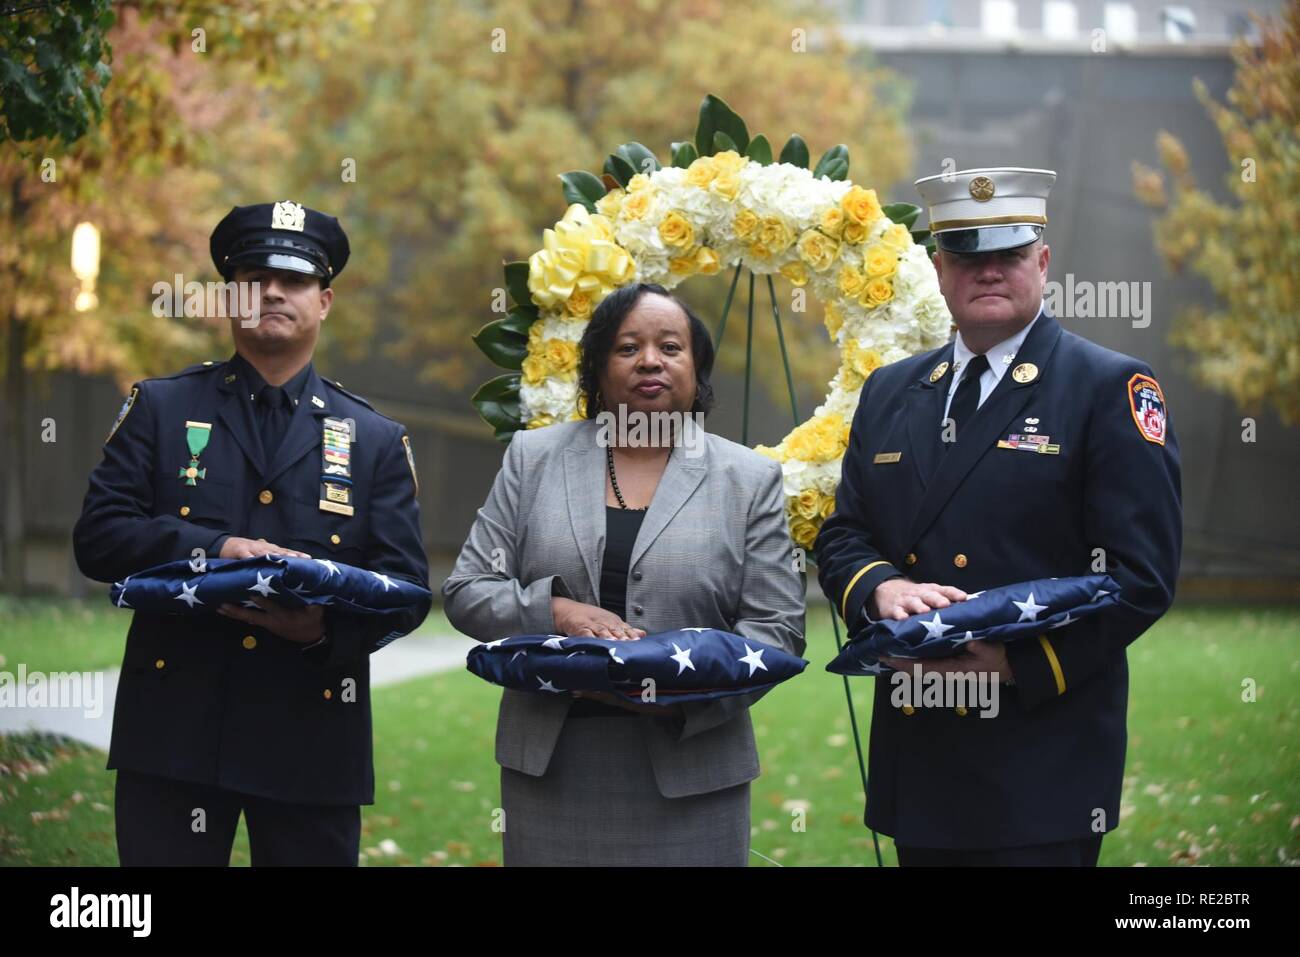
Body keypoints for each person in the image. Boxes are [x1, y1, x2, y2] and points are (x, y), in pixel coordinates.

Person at [816, 168, 1182, 865]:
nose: (988, 271)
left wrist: (1015, 664)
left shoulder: (1108, 386)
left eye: (1008, 254)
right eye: (967, 255)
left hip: (1041, 760)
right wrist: (879, 589)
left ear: (1041, 262)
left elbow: (1143, 575)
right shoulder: (892, 390)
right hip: (922, 754)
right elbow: (844, 532)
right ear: (938, 268)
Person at [73, 201, 431, 866]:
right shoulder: (161, 407)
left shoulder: (374, 439)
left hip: (312, 739)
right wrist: (214, 548)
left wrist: (323, 631)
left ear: (324, 302)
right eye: (251, 277)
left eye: (292, 280)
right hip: (174, 733)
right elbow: (97, 538)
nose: (270, 291)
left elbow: (408, 590)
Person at [443, 282, 806, 866]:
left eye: (670, 347)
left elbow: (777, 630)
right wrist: (555, 612)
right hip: (553, 768)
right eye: (627, 348)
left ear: (697, 368)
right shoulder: (533, 460)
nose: (650, 362)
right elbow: (466, 591)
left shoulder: (749, 479)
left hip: (692, 769)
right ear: (597, 368)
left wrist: (679, 699)